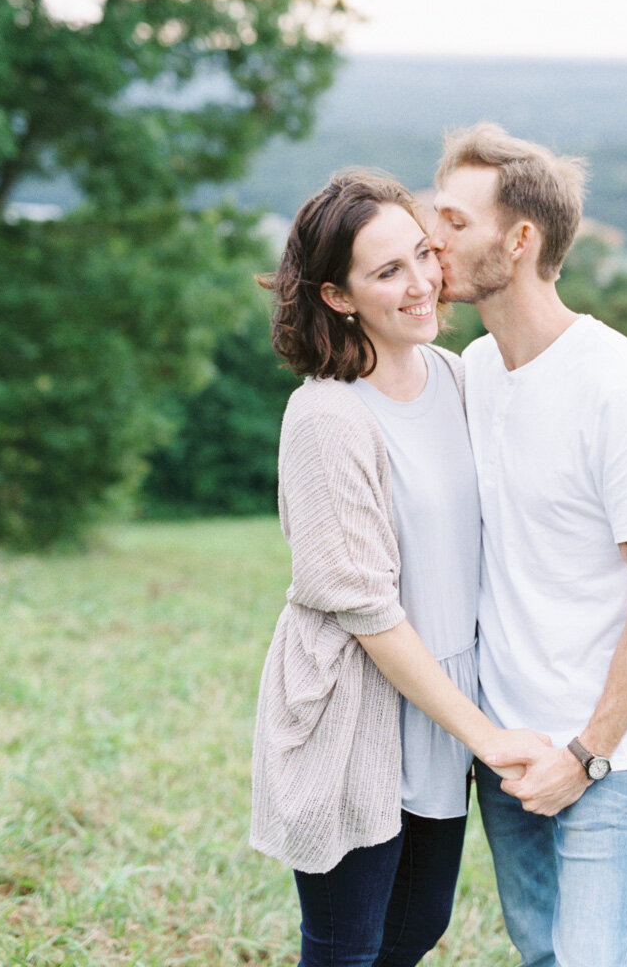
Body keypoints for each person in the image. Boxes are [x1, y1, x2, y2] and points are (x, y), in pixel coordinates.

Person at [250, 170, 540, 967]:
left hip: (443, 704)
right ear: (337, 297)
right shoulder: (327, 415)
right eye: (386, 271)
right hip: (359, 710)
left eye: (421, 253)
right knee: (345, 949)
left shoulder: (455, 376)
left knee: (415, 928)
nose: (420, 283)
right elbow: (367, 611)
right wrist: (484, 735)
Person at [430, 123, 627, 967]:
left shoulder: (620, 389)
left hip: (598, 760)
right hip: (502, 749)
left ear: (519, 240)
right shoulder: (472, 370)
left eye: (454, 222)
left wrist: (586, 757)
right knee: (540, 954)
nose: (432, 240)